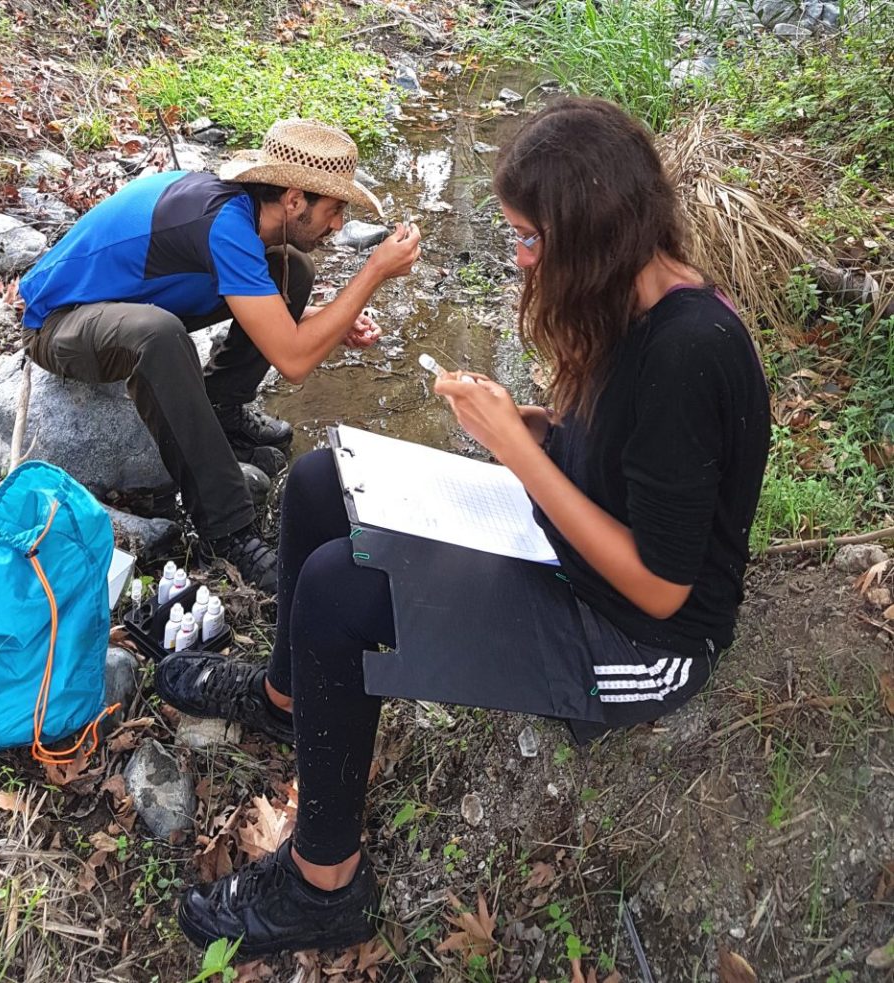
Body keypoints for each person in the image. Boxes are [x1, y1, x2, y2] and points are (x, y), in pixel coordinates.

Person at [154, 97, 770, 956]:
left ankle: (324, 883)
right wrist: (545, 429)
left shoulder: (687, 350)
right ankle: (285, 700)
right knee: (319, 482)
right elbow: (616, 453)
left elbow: (663, 587)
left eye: (527, 239)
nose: (519, 261)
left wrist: (519, 452)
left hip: (640, 638)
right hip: (572, 550)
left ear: (592, 236)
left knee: (339, 591)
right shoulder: (626, 300)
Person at [18, 119, 421, 593]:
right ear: (294, 200)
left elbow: (253, 296)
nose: (337, 225)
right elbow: (293, 361)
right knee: (160, 337)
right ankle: (226, 528)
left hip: (126, 300)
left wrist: (328, 316)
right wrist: (372, 273)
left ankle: (221, 407)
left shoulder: (242, 211)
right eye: (333, 210)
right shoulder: (222, 225)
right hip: (57, 324)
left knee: (292, 269)